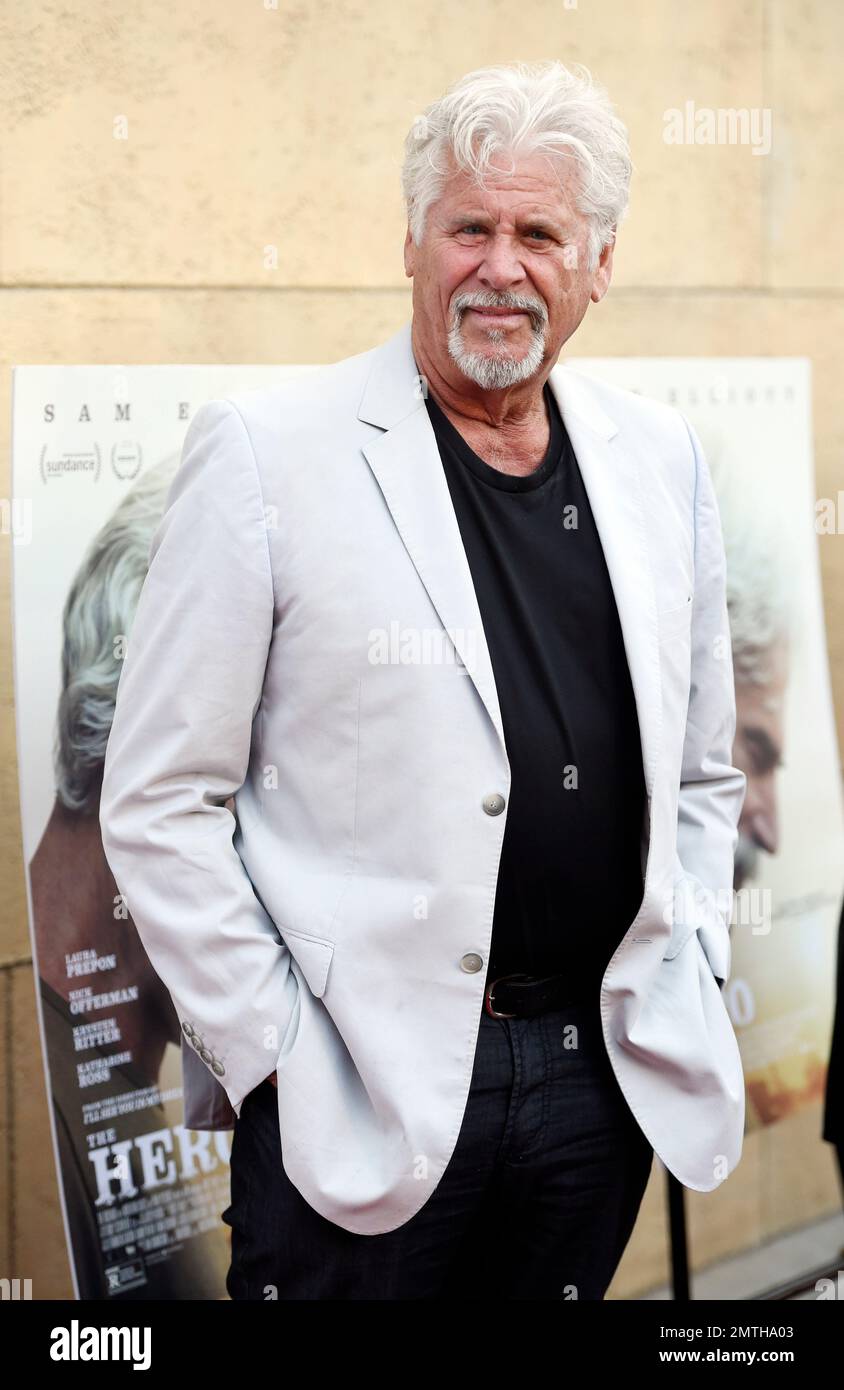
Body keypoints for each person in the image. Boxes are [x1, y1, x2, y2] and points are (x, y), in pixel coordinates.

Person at [99, 59, 747, 1300]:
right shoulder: (265, 455)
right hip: (361, 1096)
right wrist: (277, 1054)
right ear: (411, 241)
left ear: (599, 261)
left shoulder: (659, 458)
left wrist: (696, 955)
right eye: (470, 226)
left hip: (597, 1079)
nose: (501, 266)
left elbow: (704, 765)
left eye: (540, 232)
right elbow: (159, 799)